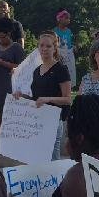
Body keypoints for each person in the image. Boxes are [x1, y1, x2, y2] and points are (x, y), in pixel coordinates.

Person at [16, 31, 71, 159]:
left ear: (54, 48)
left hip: (53, 120)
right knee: (38, 158)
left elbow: (68, 99)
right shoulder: (36, 70)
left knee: (52, 159)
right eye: (41, 46)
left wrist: (48, 99)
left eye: (48, 46)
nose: (44, 49)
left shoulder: (61, 69)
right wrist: (22, 95)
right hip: (37, 120)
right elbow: (36, 98)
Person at [0, 17, 26, 123]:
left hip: (10, 88)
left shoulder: (17, 48)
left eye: (1, 37)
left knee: (10, 120)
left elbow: (23, 68)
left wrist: (3, 63)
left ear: (8, 34)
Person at [53, 9, 77, 87]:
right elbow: (54, 44)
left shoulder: (69, 31)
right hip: (59, 54)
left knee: (70, 71)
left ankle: (69, 87)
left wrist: (74, 47)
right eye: (66, 18)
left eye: (69, 18)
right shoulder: (55, 31)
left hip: (69, 54)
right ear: (59, 19)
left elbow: (70, 43)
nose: (68, 20)